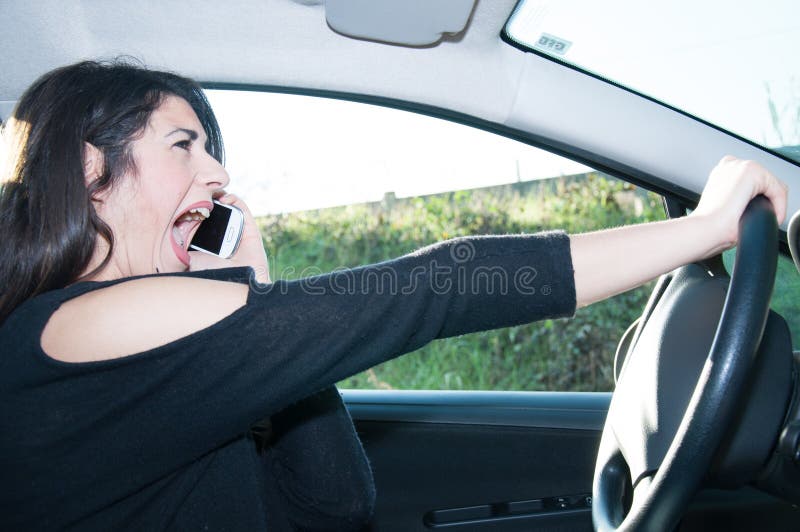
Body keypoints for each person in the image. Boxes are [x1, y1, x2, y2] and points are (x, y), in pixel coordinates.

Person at [0, 60, 788, 531]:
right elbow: (437, 289)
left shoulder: (156, 358)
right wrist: (704, 229)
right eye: (184, 146)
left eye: (212, 149)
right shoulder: (80, 326)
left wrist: (260, 305)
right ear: (91, 172)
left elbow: (334, 509)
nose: (219, 175)